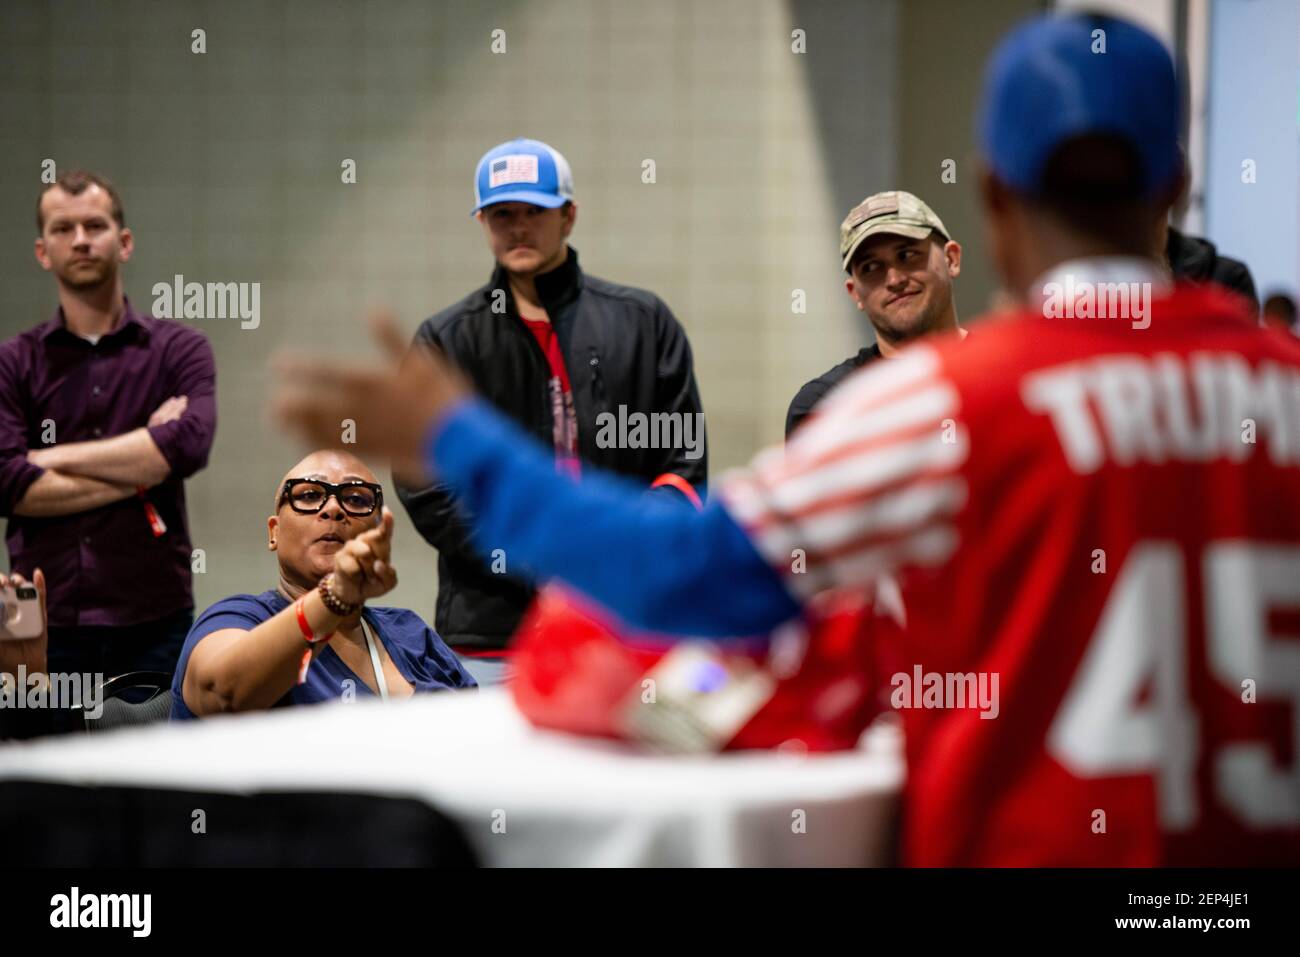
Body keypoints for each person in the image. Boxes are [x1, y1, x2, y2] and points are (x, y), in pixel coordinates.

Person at [275, 13, 1300, 865]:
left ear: (985, 205)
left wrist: (460, 443)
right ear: (1173, 186)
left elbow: (685, 572)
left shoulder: (951, 407)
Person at [395, 138, 708, 685]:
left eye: (534, 212)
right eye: (502, 215)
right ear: (484, 223)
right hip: (493, 635)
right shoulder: (447, 339)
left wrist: (622, 549)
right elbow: (426, 482)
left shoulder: (642, 321)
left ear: (568, 216)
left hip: (624, 620)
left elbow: (683, 457)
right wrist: (536, 555)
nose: (518, 228)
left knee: (620, 770)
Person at [0, 170, 217, 681]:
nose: (79, 239)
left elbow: (187, 447)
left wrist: (42, 458)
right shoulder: (12, 362)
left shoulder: (179, 350)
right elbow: (5, 482)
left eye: (94, 226)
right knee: (29, 760)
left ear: (123, 242)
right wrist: (144, 460)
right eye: (62, 228)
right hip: (30, 613)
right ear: (41, 251)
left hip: (154, 615)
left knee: (150, 761)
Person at [171, 450, 474, 720]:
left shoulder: (411, 633)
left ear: (379, 529)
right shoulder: (237, 619)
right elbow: (223, 694)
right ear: (274, 532)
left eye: (356, 499)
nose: (333, 509)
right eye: (308, 495)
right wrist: (333, 598)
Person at [786, 191, 964, 437]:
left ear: (951, 259)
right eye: (871, 267)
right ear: (854, 293)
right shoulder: (827, 404)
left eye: (907, 255)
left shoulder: (1004, 373)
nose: (894, 279)